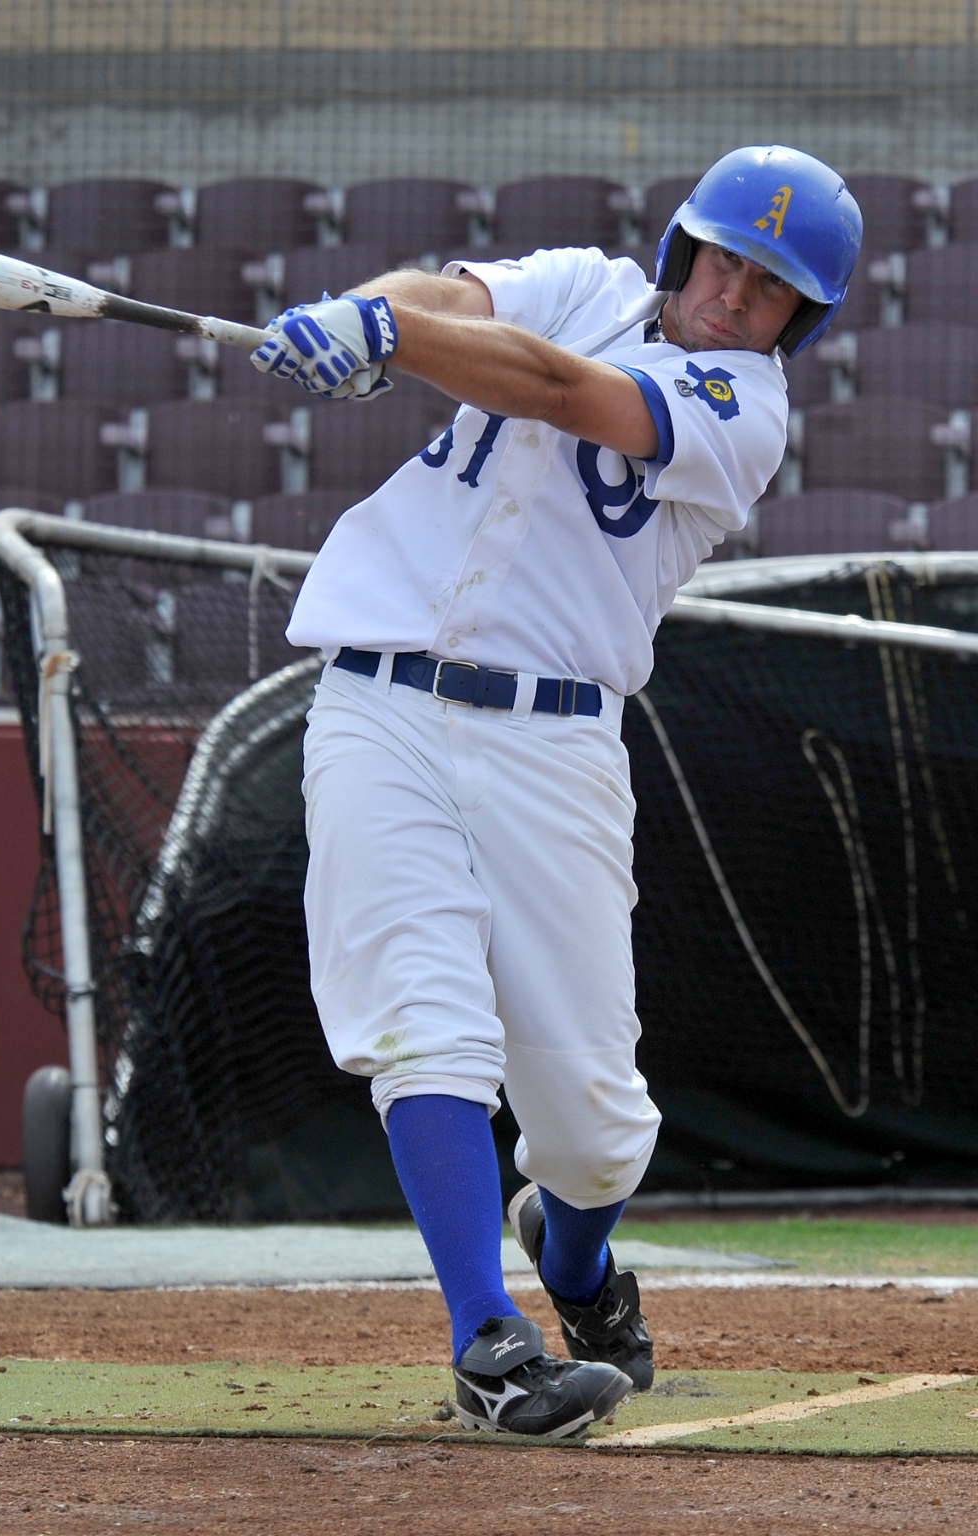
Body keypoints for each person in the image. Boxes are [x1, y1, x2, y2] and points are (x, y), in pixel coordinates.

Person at [251, 144, 862, 1439]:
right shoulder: (581, 280)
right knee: (423, 1018)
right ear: (683, 246)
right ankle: (489, 1340)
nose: (733, 294)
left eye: (768, 287)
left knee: (592, 1129)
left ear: (796, 319)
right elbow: (462, 299)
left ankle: (575, 1262)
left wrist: (385, 335)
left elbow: (554, 388)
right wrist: (377, 311)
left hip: (556, 744)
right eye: (722, 259)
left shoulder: (742, 412)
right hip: (380, 698)